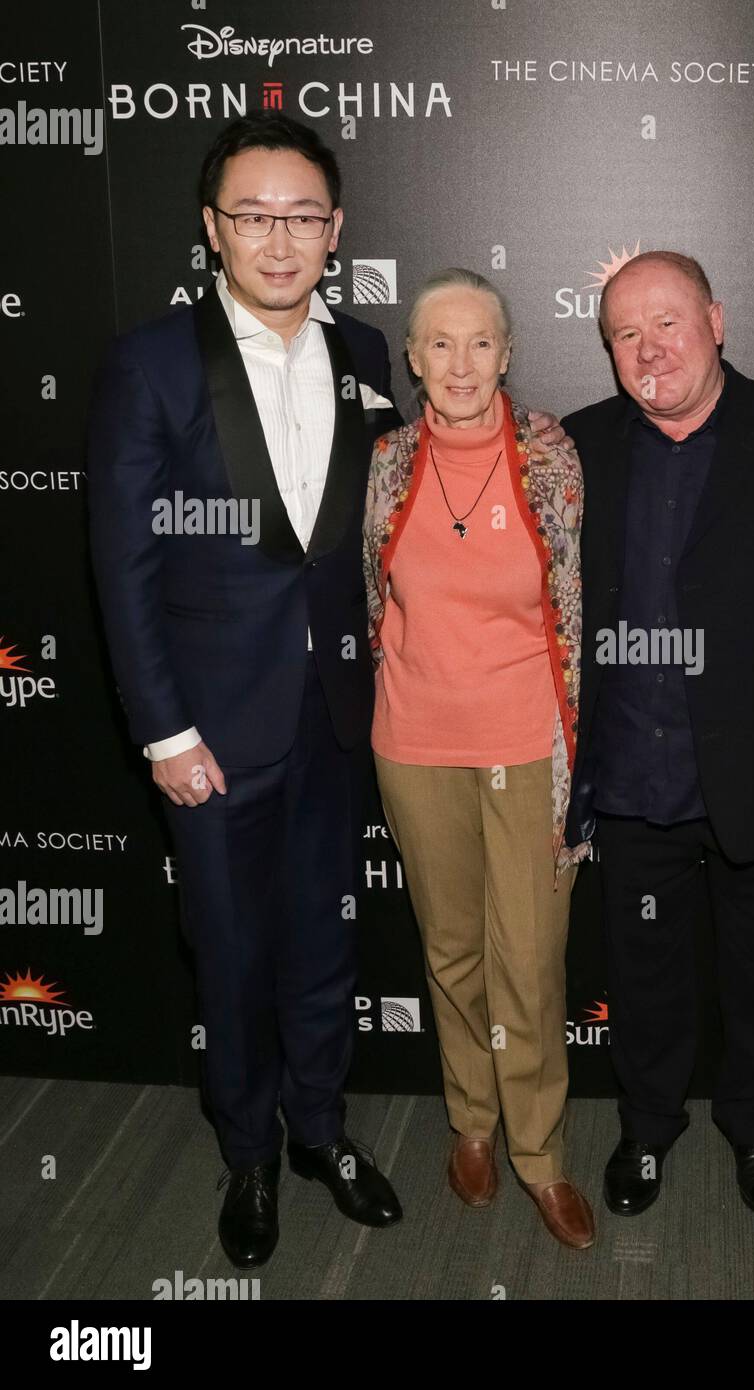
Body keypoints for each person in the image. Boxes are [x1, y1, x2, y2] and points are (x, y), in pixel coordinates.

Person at [86, 113, 405, 1268]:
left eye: (303, 216)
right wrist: (164, 732)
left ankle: (320, 1130)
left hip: (337, 719)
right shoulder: (152, 363)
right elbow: (121, 564)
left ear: (336, 229)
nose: (281, 239)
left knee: (324, 942)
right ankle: (250, 1155)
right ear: (213, 227)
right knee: (229, 951)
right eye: (255, 215)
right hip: (212, 732)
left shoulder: (369, 354)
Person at [563, 251, 754, 1218]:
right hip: (630, 772)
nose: (650, 348)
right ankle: (646, 1129)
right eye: (625, 333)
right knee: (642, 973)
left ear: (718, 319)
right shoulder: (577, 446)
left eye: (669, 322)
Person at [363, 269, 595, 1250]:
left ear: (506, 353)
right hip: (414, 740)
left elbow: (573, 602)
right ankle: (472, 1122)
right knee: (450, 949)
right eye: (439, 344)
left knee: (529, 956)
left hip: (524, 740)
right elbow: (370, 600)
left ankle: (538, 1153)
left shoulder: (551, 456)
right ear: (413, 359)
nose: (460, 364)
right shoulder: (384, 461)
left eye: (480, 343)